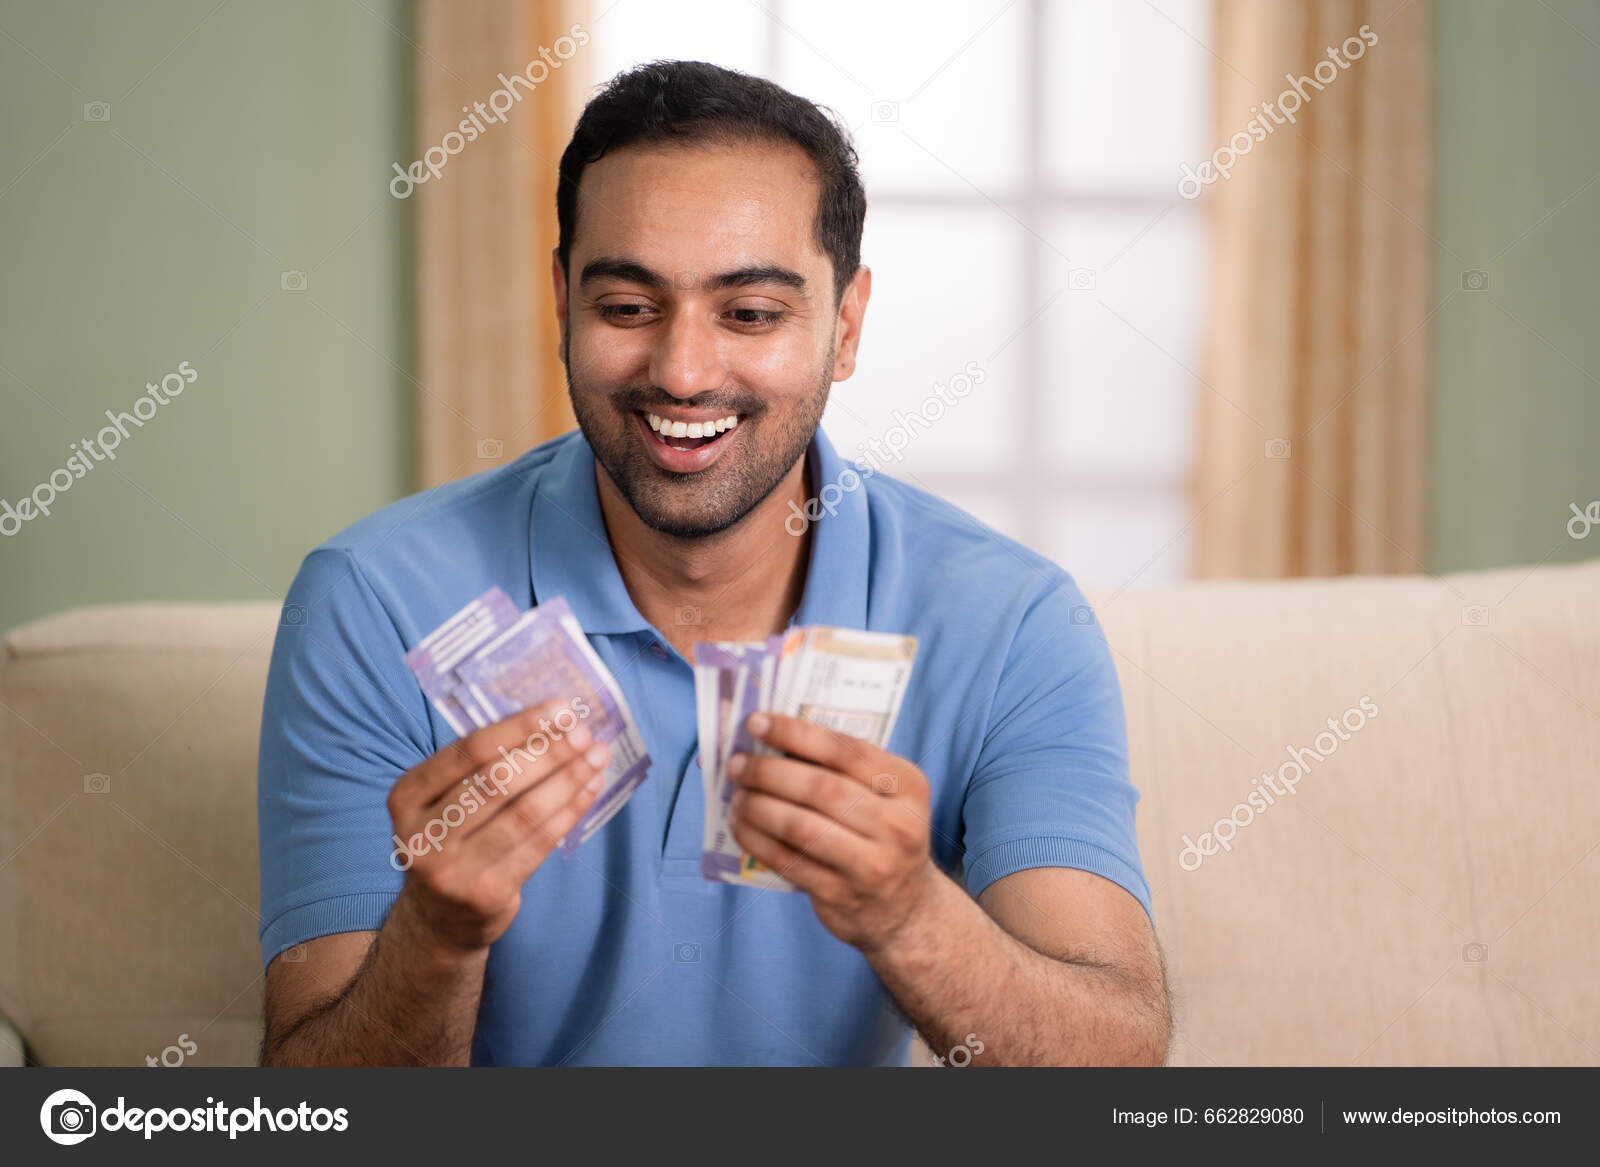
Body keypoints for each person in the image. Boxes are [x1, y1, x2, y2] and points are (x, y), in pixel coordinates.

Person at [258, 60, 1168, 1066]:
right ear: (561, 304)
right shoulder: (375, 603)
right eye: (626, 306)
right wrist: (434, 935)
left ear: (846, 326)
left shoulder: (1011, 623)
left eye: (751, 314)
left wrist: (909, 913)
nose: (683, 372)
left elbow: (1116, 1062)